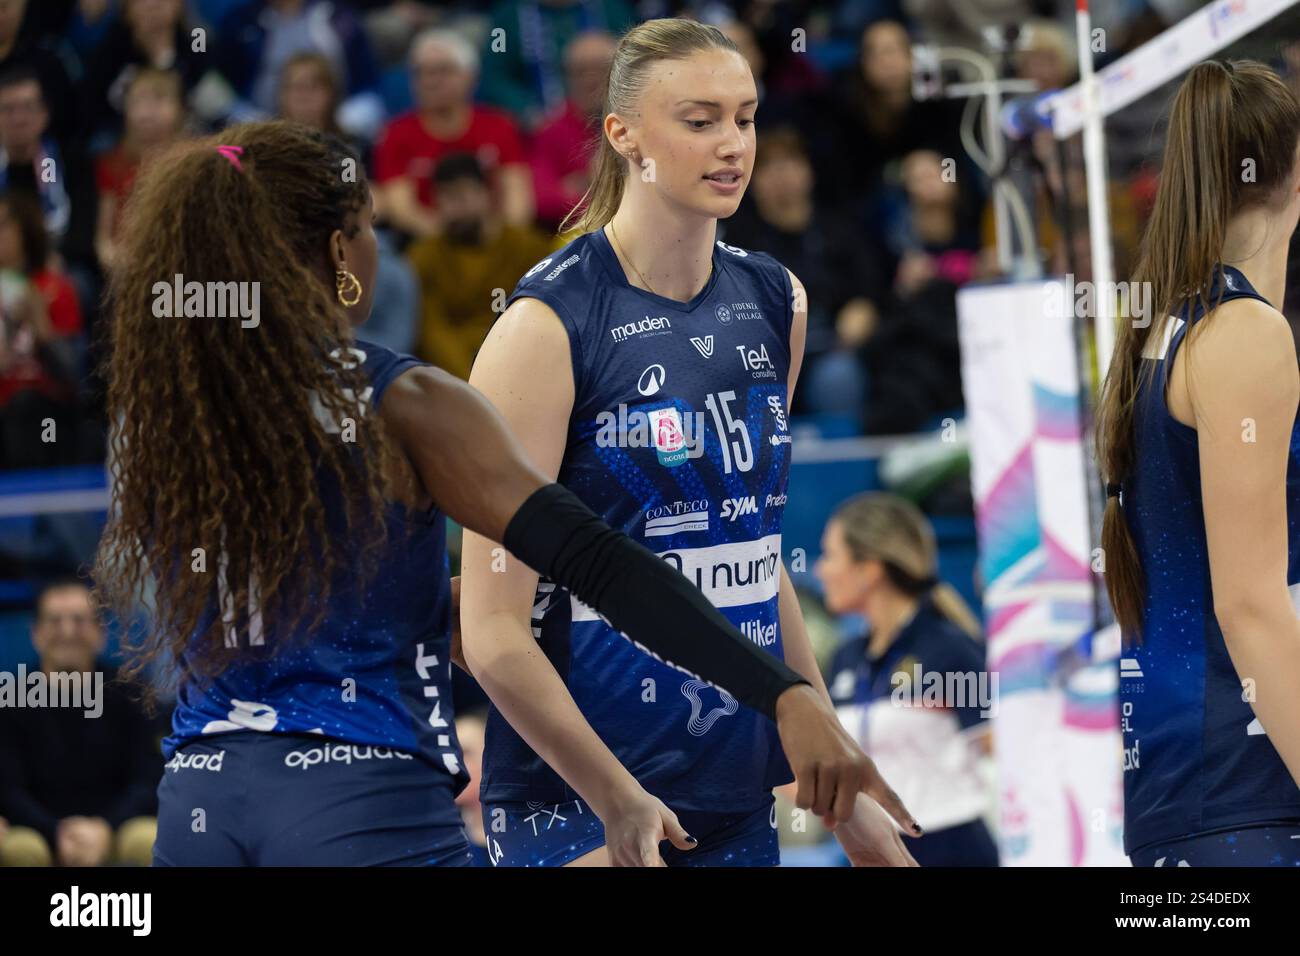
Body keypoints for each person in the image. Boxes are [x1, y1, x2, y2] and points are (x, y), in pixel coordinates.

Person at [92, 119, 913, 867]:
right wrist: (783, 692)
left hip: (198, 799)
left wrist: (456, 610)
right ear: (340, 255)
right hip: (359, 806)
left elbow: (314, 606)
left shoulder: (165, 424)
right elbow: (599, 559)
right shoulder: (401, 401)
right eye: (373, 227)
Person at [462, 17, 919, 868]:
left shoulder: (776, 297)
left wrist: (831, 771)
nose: (733, 144)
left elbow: (756, 550)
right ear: (624, 135)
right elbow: (490, 631)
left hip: (734, 796)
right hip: (581, 806)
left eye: (743, 118)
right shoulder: (542, 326)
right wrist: (614, 796)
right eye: (700, 120)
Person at [1096, 59, 1300, 866]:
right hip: (1243, 779)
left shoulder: (1167, 327)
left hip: (1184, 786)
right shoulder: (1246, 335)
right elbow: (1248, 606)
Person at [814, 493, 997, 866]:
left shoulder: (951, 650)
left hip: (953, 849)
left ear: (870, 569)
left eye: (831, 556)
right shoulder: (845, 659)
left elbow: (1005, 756)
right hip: (871, 849)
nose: (820, 570)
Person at [0, 578, 161, 867]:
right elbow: (8, 789)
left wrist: (104, 828)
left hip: (116, 827)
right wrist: (54, 831)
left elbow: (148, 780)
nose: (68, 631)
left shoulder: (133, 696)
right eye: (55, 620)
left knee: (148, 840)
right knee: (19, 850)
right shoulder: (9, 699)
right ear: (36, 633)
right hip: (36, 830)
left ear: (100, 633)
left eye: (79, 620)